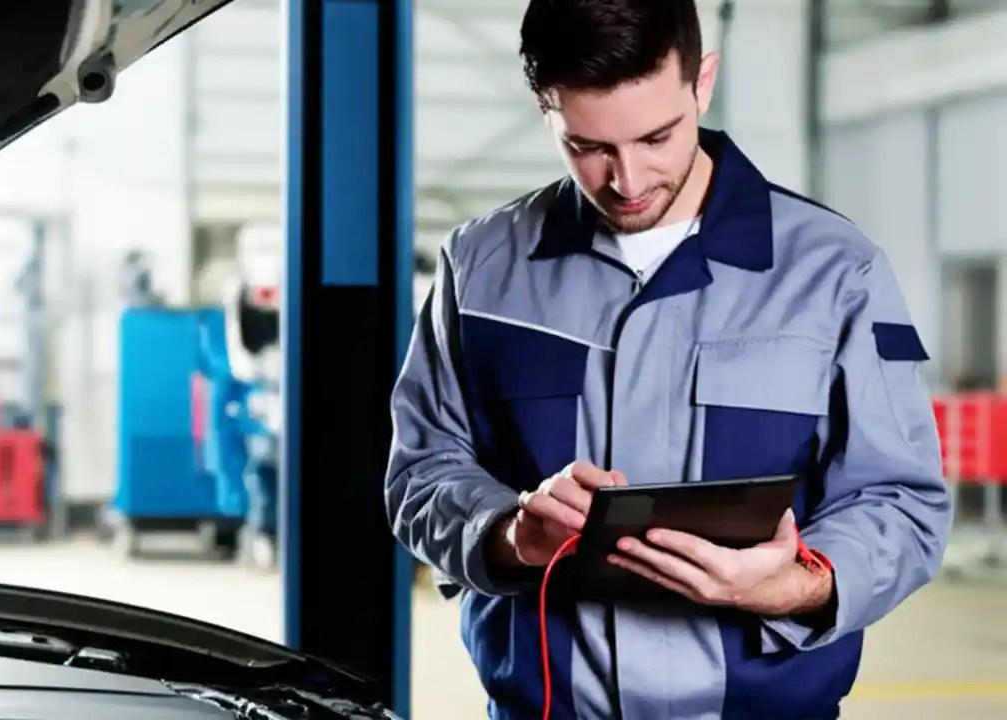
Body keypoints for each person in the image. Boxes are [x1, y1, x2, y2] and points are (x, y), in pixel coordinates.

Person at [383, 1, 952, 718]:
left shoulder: (835, 272)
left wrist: (795, 583)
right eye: (588, 146)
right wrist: (510, 532)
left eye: (657, 136)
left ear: (701, 82)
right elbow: (421, 475)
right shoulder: (480, 270)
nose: (627, 179)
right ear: (544, 105)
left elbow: (904, 503)